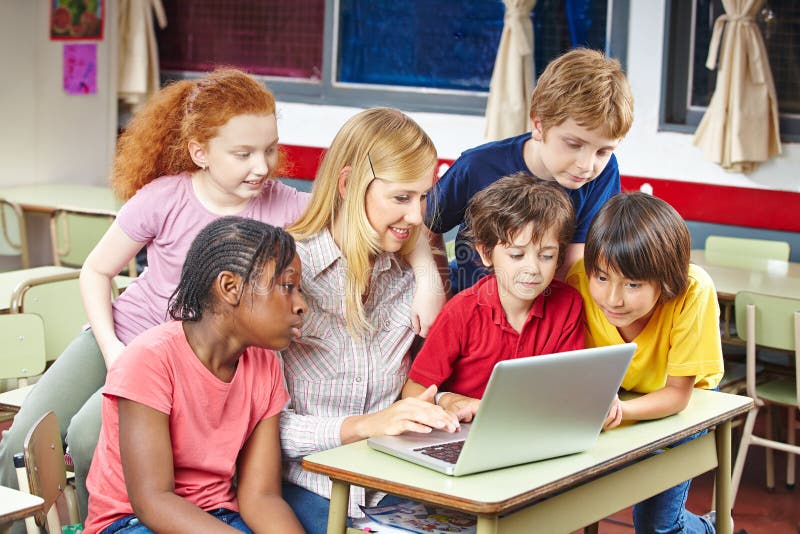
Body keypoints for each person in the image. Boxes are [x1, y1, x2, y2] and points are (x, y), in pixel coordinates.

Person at [0, 67, 310, 526]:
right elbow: (97, 270)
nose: (261, 166)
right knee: (20, 438)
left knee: (88, 437)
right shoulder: (165, 197)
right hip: (123, 335)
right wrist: (111, 349)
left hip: (186, 357)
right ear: (200, 152)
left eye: (269, 150)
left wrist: (426, 271)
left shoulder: (285, 204)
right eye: (243, 153)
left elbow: (357, 231)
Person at [279, 108, 460, 534]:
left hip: (391, 486)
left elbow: (413, 385)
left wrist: (440, 403)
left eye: (423, 197)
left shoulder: (409, 279)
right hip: (306, 485)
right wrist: (365, 427)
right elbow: (260, 429)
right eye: (401, 198)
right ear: (347, 185)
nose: (417, 216)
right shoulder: (285, 275)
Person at [83, 217, 306, 534]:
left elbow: (262, 496)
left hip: (219, 517)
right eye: (287, 287)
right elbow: (153, 500)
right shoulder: (149, 360)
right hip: (132, 523)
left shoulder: (266, 365)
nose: (301, 305)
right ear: (230, 287)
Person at [565, 192, 724, 533]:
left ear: (666, 280)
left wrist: (617, 411)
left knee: (657, 527)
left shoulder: (692, 290)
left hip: (683, 399)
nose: (612, 299)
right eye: (603, 278)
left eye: (633, 284)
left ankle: (709, 528)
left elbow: (679, 395)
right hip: (617, 394)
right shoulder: (579, 278)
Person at [427, 47, 634, 294]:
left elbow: (576, 263)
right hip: (470, 304)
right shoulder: (477, 165)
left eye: (603, 151)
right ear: (539, 125)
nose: (587, 165)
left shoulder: (604, 172)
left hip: (546, 309)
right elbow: (426, 226)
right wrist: (435, 290)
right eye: (573, 144)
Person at [401, 174, 584, 419]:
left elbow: (570, 384)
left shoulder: (569, 304)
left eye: (546, 256)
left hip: (534, 427)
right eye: (517, 255)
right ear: (486, 254)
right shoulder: (461, 312)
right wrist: (445, 399)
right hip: (465, 432)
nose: (533, 268)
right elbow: (413, 390)